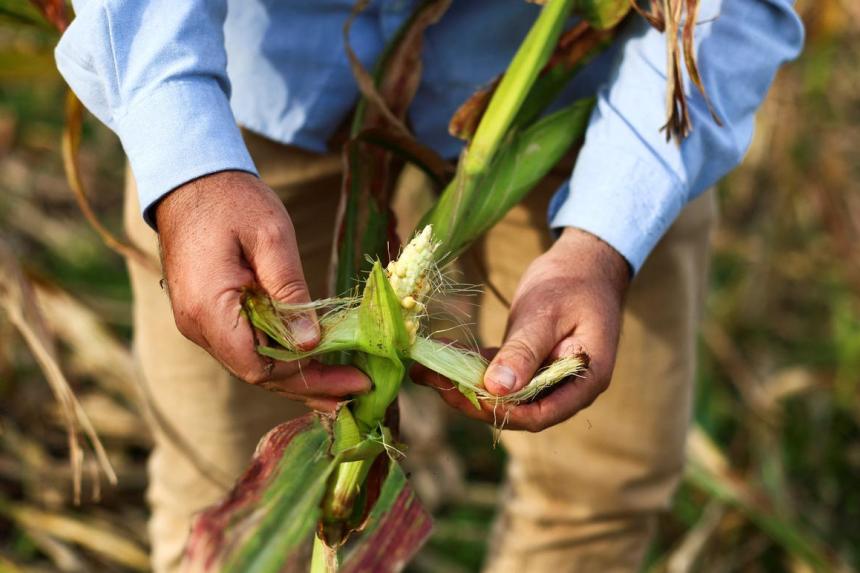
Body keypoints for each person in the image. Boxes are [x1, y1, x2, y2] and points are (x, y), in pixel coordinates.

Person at [54, 1, 803, 571]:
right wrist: (185, 152)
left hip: (590, 95)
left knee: (600, 480)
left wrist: (604, 235)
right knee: (225, 494)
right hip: (251, 82)